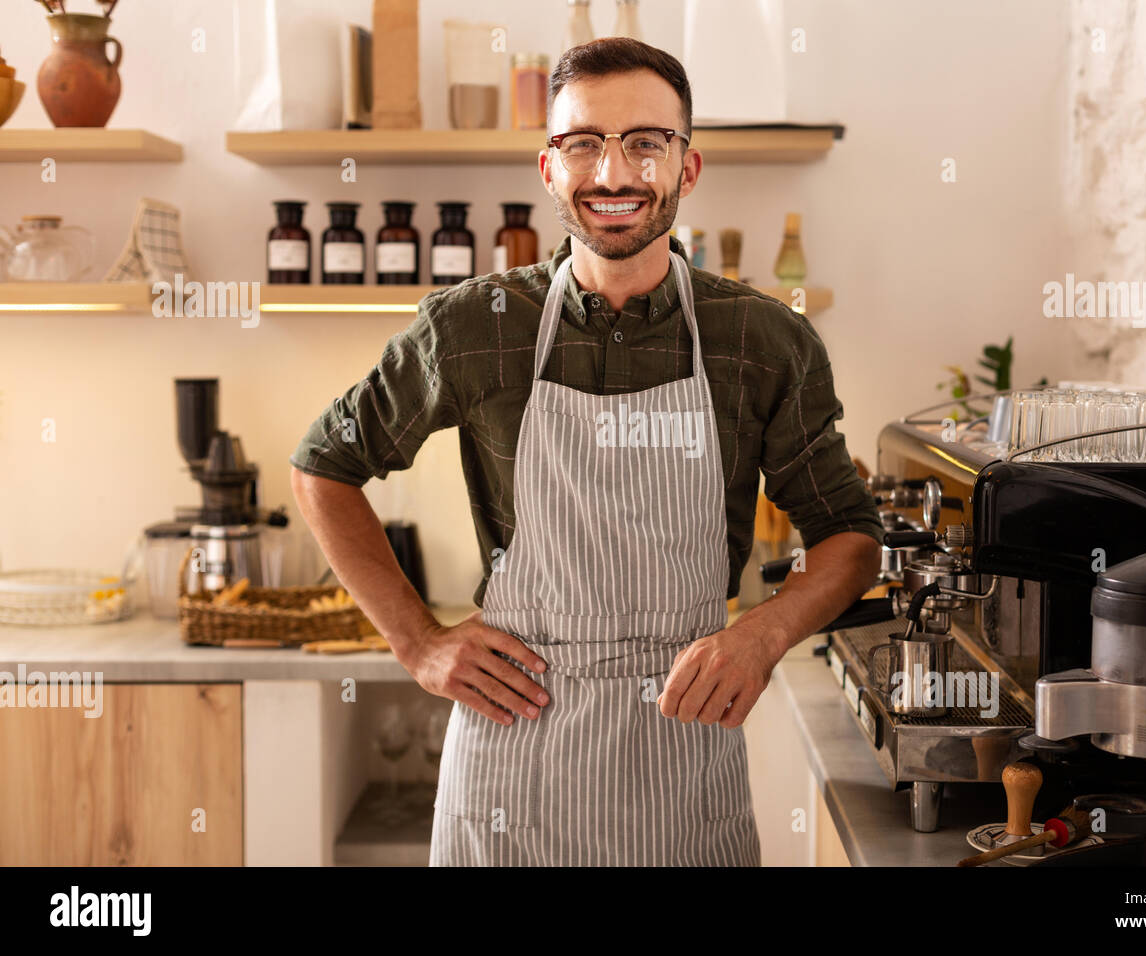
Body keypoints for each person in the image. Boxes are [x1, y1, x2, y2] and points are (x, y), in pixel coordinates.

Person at [289, 37, 883, 866]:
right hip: (513, 756)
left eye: (645, 142)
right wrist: (419, 643)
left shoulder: (763, 340)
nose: (613, 174)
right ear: (548, 166)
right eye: (584, 144)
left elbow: (850, 535)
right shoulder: (471, 329)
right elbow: (323, 465)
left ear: (687, 167)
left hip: (682, 750)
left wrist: (763, 634)